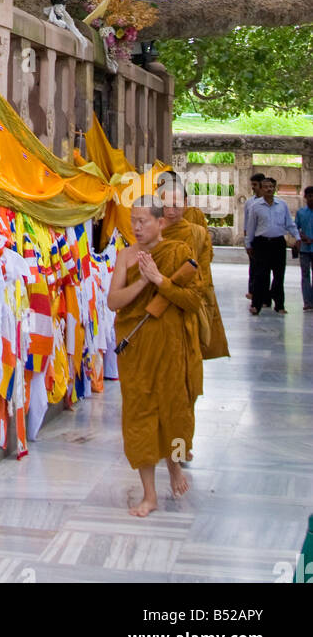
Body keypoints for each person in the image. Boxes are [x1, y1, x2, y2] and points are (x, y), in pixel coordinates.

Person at [108, 202, 205, 518]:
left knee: (174, 412)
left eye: (143, 221)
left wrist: (162, 280)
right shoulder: (125, 256)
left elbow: (191, 301)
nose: (136, 227)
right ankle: (149, 495)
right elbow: (113, 302)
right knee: (140, 417)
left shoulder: (177, 253)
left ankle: (175, 465)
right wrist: (143, 280)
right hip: (136, 348)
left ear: (160, 222)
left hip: (169, 345)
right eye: (133, 221)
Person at [159, 176, 229, 361]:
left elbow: (204, 262)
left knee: (189, 351)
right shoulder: (152, 227)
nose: (171, 210)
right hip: (158, 298)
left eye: (176, 203)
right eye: (166, 203)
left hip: (188, 295)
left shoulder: (196, 226)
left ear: (185, 201)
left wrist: (196, 292)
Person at [246, 177, 299, 316]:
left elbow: (289, 223)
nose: (269, 189)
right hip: (261, 243)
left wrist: (297, 237)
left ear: (274, 188)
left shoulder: (282, 205)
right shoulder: (255, 206)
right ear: (261, 189)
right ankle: (256, 305)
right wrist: (248, 244)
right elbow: (251, 227)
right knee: (260, 275)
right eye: (266, 187)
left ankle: (279, 305)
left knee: (279, 275)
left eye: (271, 186)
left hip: (278, 243)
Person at [242, 174, 266, 301]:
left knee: (265, 270)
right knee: (254, 267)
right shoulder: (249, 202)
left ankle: (265, 295)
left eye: (255, 185)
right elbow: (246, 224)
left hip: (266, 239)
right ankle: (252, 292)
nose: (253, 188)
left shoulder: (272, 202)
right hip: (254, 239)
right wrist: (247, 242)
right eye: (252, 185)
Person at [295, 186, 313, 312]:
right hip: (305, 249)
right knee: (305, 275)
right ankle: (307, 302)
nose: (312, 198)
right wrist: (302, 237)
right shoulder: (301, 212)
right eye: (310, 196)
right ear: (305, 197)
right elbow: (295, 228)